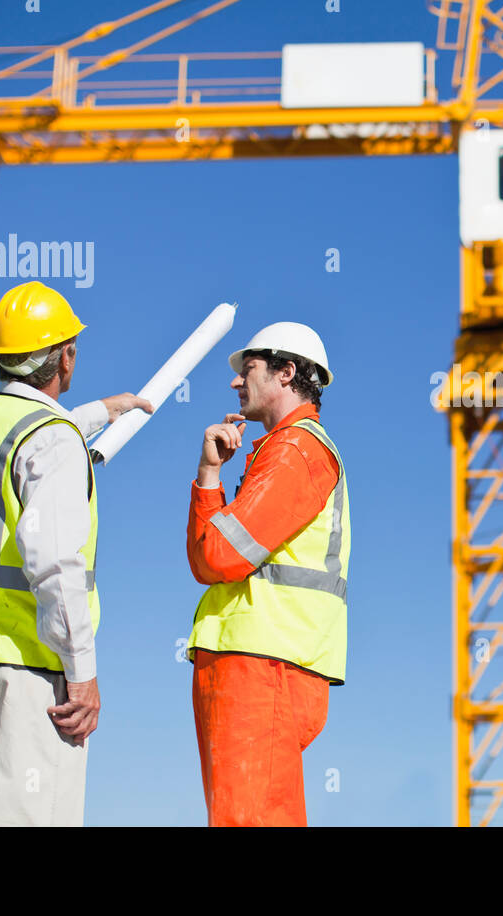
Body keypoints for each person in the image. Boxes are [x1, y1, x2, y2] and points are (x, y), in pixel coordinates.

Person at [0, 280, 152, 826]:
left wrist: (102, 412)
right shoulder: (52, 439)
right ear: (65, 356)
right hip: (29, 671)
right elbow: (55, 564)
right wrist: (82, 672)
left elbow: (31, 444)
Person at [185, 321, 350, 826]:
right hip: (255, 658)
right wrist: (211, 476)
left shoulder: (295, 451)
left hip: (263, 662)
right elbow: (208, 558)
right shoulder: (281, 451)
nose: (236, 382)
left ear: (286, 372)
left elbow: (216, 558)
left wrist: (211, 485)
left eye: (248, 370)